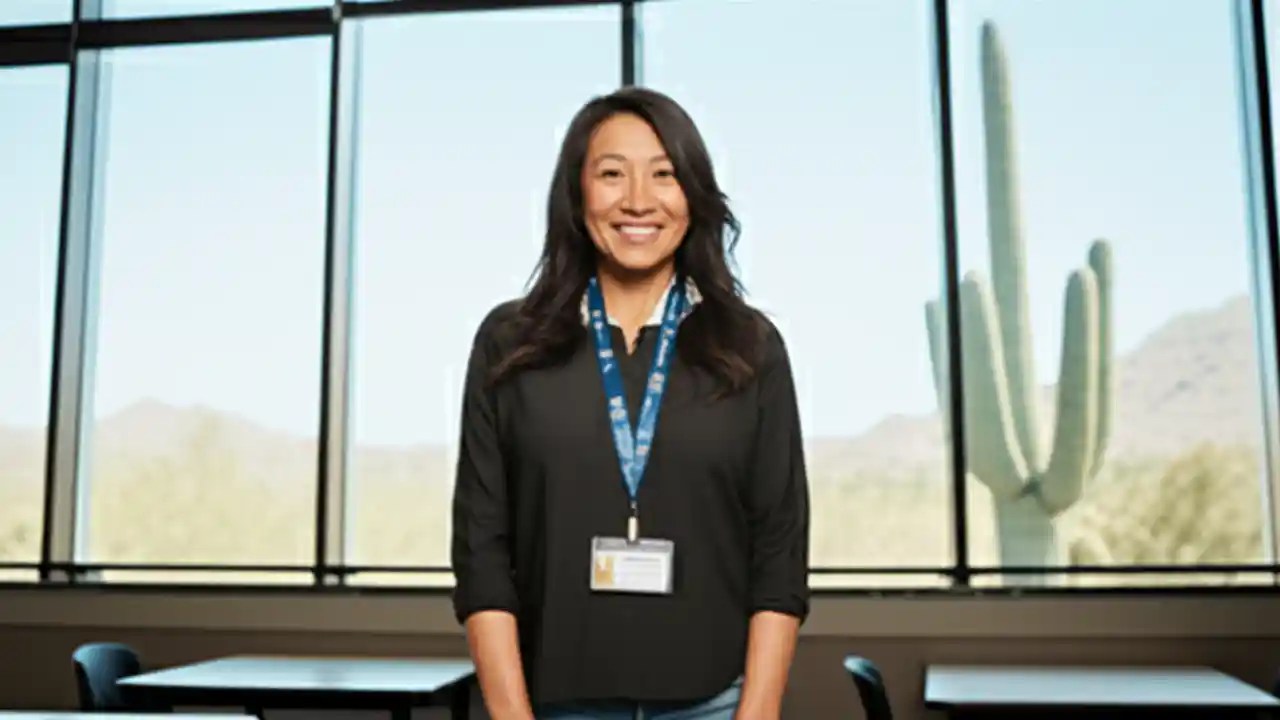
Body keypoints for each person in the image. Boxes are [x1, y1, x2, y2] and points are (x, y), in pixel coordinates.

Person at [450, 86, 810, 720]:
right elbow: (482, 552)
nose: (638, 200)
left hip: (714, 705)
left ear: (692, 196)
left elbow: (779, 550)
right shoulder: (509, 344)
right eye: (612, 174)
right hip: (551, 705)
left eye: (664, 175)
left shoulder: (751, 347)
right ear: (577, 192)